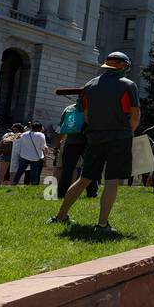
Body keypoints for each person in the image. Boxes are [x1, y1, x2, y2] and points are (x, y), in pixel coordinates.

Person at [48, 52, 140, 233]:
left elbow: (87, 116)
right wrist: (129, 131)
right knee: (112, 181)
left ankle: (60, 216)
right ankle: (102, 224)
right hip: (119, 137)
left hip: (94, 137)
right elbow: (135, 114)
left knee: (85, 178)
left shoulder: (89, 85)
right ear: (123, 66)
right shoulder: (128, 85)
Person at [55, 96, 96, 199]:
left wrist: (58, 144)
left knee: (67, 169)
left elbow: (62, 125)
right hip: (88, 141)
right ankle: (91, 193)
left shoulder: (69, 108)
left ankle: (61, 193)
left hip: (71, 141)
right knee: (90, 168)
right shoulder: (93, 108)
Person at [11, 121, 47, 186]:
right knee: (34, 173)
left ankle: (14, 183)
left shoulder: (24, 134)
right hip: (35, 158)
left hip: (24, 156)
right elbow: (43, 147)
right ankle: (33, 187)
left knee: (19, 171)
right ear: (39, 128)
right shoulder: (41, 135)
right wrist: (45, 157)